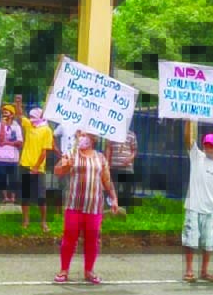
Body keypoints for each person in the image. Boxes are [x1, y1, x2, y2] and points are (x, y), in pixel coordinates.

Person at [53, 130, 118, 284]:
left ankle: (89, 271)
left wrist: (114, 197)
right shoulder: (71, 154)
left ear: (93, 138)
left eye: (85, 135)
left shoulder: (100, 157)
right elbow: (57, 171)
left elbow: (106, 180)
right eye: (79, 134)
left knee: (92, 239)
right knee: (69, 238)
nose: (82, 138)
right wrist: (64, 165)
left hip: (94, 205)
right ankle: (64, 270)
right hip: (74, 204)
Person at [182, 133, 213, 283]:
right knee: (191, 240)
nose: (208, 148)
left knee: (209, 242)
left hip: (211, 209)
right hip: (194, 207)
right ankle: (189, 270)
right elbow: (187, 138)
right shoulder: (197, 157)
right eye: (206, 145)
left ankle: (204, 271)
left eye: (211, 146)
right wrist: (189, 118)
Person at [18, 98, 54, 232]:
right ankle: (26, 220)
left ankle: (43, 222)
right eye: (30, 117)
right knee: (25, 196)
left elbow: (44, 152)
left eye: (33, 116)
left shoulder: (47, 130)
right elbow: (20, 115)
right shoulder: (29, 125)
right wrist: (18, 103)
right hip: (24, 165)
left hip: (38, 169)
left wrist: (36, 166)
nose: (31, 118)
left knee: (41, 197)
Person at [0, 103, 23, 204]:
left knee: (13, 178)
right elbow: (0, 139)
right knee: (2, 177)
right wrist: (2, 125)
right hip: (0, 157)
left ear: (12, 115)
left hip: (13, 158)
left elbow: (19, 142)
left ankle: (13, 198)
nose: (4, 114)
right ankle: (5, 197)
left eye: (6, 112)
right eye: (3, 112)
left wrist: (7, 143)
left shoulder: (16, 126)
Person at [105, 129, 138, 213]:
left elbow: (134, 150)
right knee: (112, 189)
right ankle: (112, 208)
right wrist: (107, 164)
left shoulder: (131, 134)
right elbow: (108, 148)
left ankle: (124, 209)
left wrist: (130, 158)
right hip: (114, 166)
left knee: (127, 189)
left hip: (127, 168)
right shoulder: (112, 133)